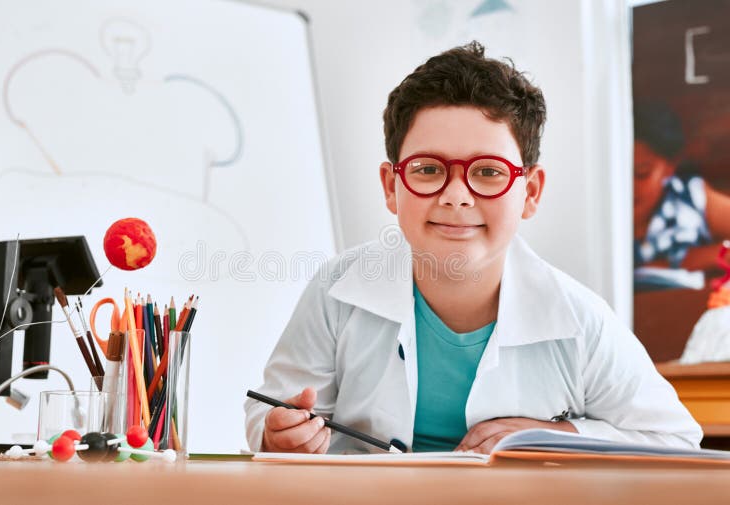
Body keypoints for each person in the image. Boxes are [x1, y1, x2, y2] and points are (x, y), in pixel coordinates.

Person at [244, 42, 702, 454]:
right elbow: (269, 417)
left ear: (531, 192)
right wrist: (278, 434)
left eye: (487, 172)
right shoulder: (336, 291)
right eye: (427, 169)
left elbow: (675, 439)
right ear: (391, 186)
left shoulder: (579, 320)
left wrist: (555, 437)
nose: (456, 195)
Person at [634, 100, 730, 272]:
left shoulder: (690, 196)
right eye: (620, 176)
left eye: (642, 173)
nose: (629, 186)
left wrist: (710, 255)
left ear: (669, 167)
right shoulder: (594, 216)